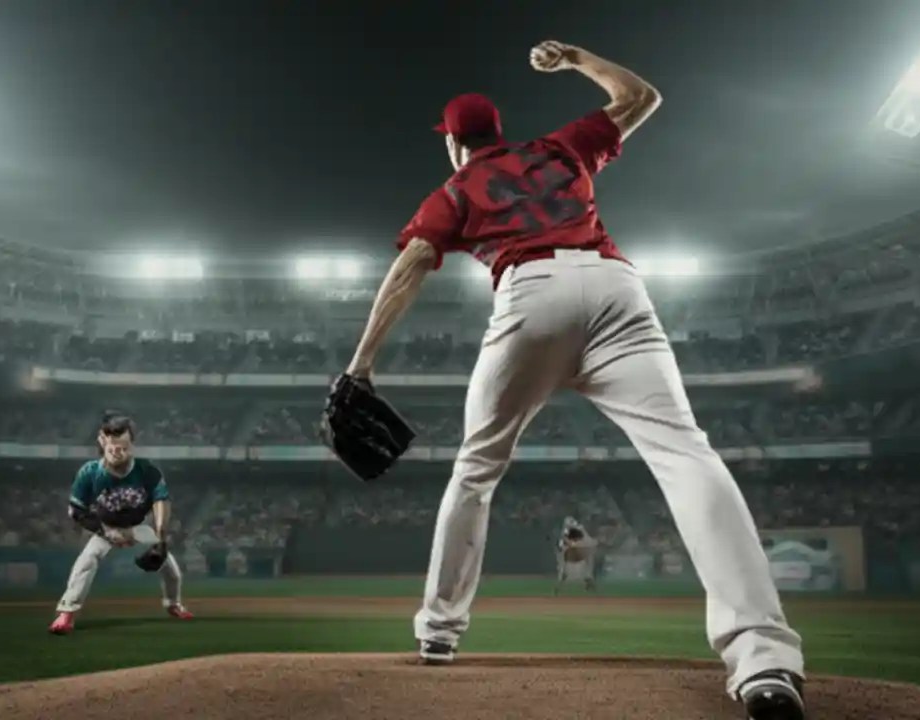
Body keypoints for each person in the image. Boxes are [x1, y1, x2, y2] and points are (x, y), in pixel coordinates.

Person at [340, 40, 806, 720]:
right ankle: (765, 663)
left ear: (453, 145)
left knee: (476, 470)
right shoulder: (560, 150)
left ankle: (438, 633)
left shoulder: (455, 187)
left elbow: (412, 261)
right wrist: (578, 59)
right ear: (497, 132)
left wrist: (361, 363)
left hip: (531, 295)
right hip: (618, 289)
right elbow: (641, 97)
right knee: (687, 454)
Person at [48, 412, 193, 634]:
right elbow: (76, 511)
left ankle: (173, 604)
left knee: (171, 570)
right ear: (102, 441)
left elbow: (161, 500)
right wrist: (106, 532)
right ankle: (66, 614)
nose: (118, 452)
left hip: (139, 526)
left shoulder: (147, 470)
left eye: (123, 448)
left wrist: (161, 538)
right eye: (113, 447)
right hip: (105, 526)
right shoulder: (90, 473)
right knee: (86, 561)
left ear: (132, 445)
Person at [554, 516, 598, 594]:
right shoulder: (573, 529)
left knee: (587, 563)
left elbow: (578, 541)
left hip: (576, 549)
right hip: (567, 550)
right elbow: (565, 541)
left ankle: (588, 579)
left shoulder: (577, 529)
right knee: (563, 570)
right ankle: (588, 579)